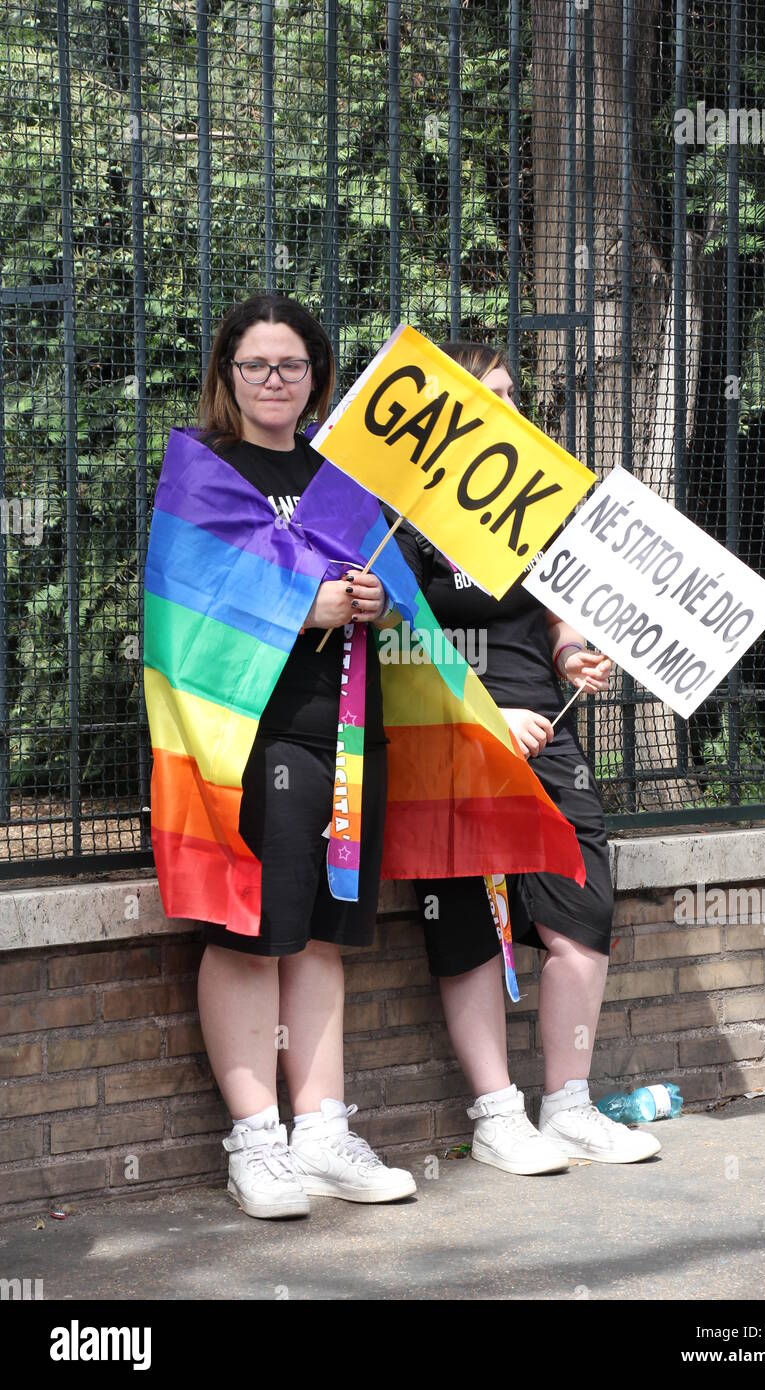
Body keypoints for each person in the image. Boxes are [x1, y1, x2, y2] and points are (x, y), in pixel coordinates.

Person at [188, 292, 429, 1217]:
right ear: (228, 377)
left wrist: (374, 600)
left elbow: (402, 599)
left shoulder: (345, 474)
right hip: (253, 735)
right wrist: (302, 607)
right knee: (249, 932)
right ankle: (257, 1143)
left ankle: (321, 1130)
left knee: (328, 930)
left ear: (318, 377)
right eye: (256, 366)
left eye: (291, 366)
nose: (274, 381)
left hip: (351, 735)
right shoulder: (204, 469)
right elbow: (189, 606)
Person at [413, 342, 661, 1172]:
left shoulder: (534, 502)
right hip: (445, 736)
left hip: (547, 735)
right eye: (489, 398)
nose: (510, 411)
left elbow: (559, 611)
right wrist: (486, 713)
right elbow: (391, 639)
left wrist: (571, 657)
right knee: (468, 927)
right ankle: (495, 1116)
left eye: (514, 397)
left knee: (581, 913)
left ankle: (569, 1105)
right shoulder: (400, 512)